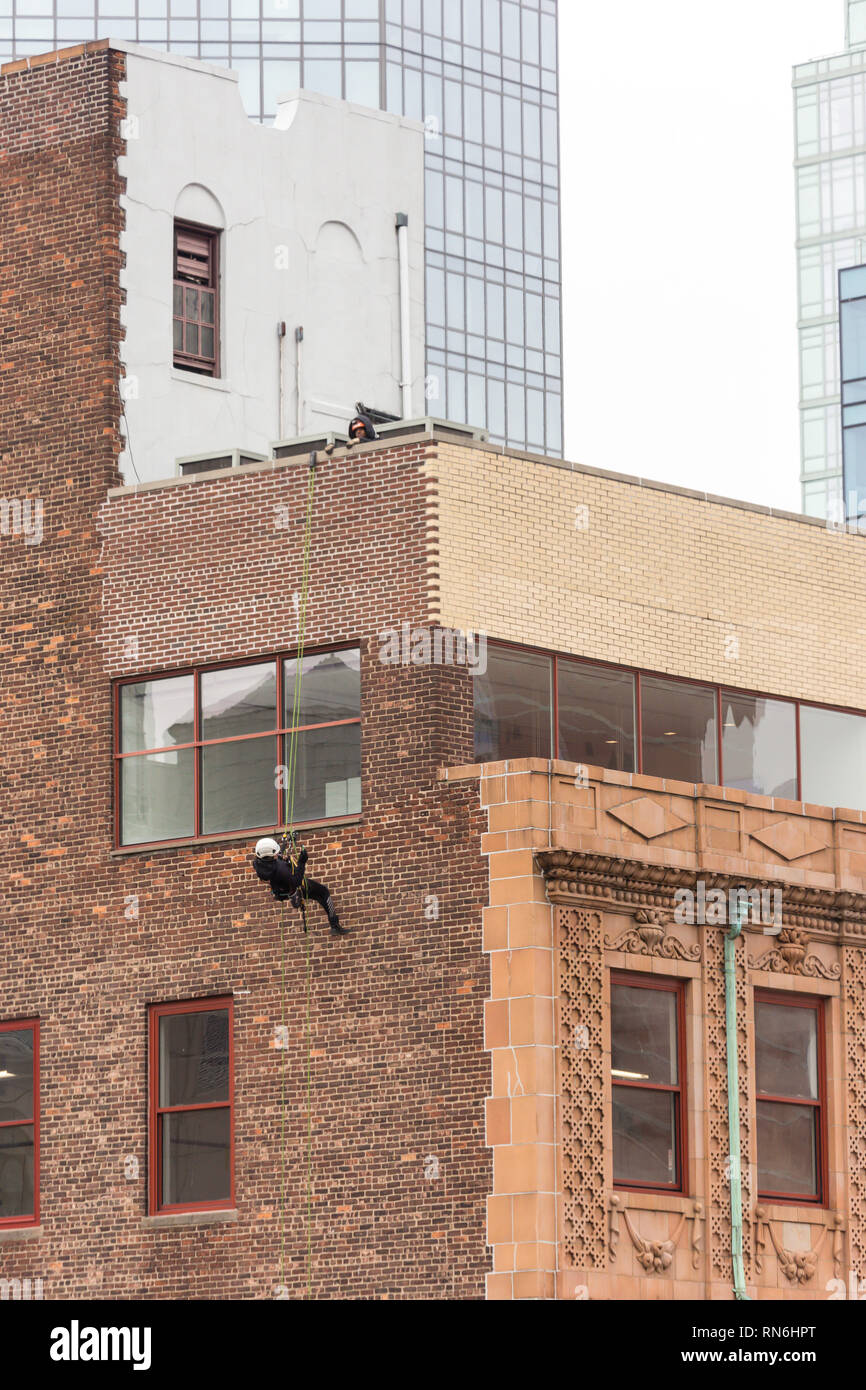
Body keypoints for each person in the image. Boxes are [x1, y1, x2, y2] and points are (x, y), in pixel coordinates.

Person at [251, 836, 348, 936]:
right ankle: (335, 925)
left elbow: (272, 862)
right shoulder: (281, 869)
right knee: (323, 892)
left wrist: (281, 858)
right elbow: (296, 881)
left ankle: (334, 925)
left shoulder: (258, 864)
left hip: (280, 890)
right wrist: (302, 861)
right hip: (294, 886)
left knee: (319, 896)